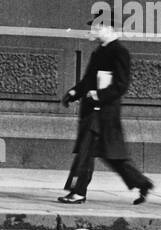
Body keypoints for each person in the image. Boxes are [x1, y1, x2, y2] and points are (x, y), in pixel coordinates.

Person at [59, 13, 154, 205]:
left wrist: (98, 95)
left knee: (87, 151)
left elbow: (121, 84)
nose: (93, 31)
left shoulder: (120, 52)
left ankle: (78, 192)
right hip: (95, 111)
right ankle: (142, 183)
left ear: (109, 28)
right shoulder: (99, 52)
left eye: (97, 27)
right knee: (111, 155)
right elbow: (88, 80)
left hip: (104, 112)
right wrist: (74, 92)